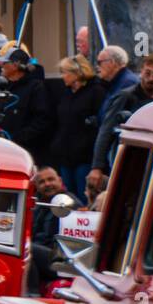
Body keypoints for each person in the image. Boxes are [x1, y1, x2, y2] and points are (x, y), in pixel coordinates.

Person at [0, 42, 54, 162]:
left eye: (5, 62)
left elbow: (42, 120)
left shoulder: (36, 88)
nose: (1, 65)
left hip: (22, 152)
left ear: (15, 65)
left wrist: (16, 139)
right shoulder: (1, 86)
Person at [88, 51, 153, 191]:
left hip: (150, 161)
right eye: (147, 73)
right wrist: (97, 167)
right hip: (127, 162)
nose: (151, 78)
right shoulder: (125, 97)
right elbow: (106, 131)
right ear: (141, 72)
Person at [49, 54, 106, 202]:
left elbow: (99, 123)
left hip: (85, 156)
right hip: (65, 155)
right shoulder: (65, 93)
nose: (62, 76)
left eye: (65, 72)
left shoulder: (96, 91)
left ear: (77, 73)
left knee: (84, 196)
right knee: (67, 197)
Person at [28, 167, 80, 295]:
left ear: (60, 181)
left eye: (51, 179)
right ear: (36, 186)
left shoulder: (69, 203)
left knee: (28, 248)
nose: (47, 184)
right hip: (43, 256)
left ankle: (32, 295)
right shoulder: (38, 204)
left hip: (64, 260)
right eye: (42, 182)